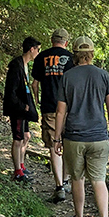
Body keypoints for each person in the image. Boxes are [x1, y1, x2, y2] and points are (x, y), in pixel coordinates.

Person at [53, 36, 109, 217]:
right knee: (99, 179)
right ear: (92, 54)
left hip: (75, 137)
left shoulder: (68, 77)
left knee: (77, 177)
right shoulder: (103, 75)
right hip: (99, 136)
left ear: (74, 54)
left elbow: (61, 111)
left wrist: (57, 138)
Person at [31, 28, 75, 201]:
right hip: (69, 108)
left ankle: (59, 187)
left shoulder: (42, 57)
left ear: (51, 41)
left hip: (49, 106)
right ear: (66, 42)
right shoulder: (72, 58)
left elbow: (35, 84)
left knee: (53, 145)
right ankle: (65, 180)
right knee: (67, 144)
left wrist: (37, 100)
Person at [3, 36, 41, 182]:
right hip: (17, 109)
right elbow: (10, 91)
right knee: (18, 139)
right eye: (37, 49)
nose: (38, 52)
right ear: (31, 49)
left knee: (26, 136)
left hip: (24, 108)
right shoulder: (16, 66)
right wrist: (20, 105)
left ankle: (21, 166)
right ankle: (17, 171)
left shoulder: (25, 65)